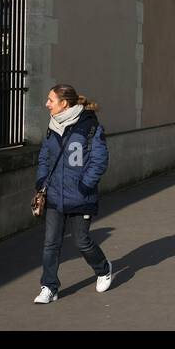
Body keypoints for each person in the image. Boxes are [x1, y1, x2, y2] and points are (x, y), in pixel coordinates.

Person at [34, 83, 113, 304]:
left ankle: (103, 268)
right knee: (51, 243)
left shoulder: (90, 126)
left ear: (64, 103)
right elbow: (43, 157)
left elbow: (99, 160)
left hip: (80, 195)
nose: (46, 104)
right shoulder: (52, 126)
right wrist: (41, 181)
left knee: (81, 241)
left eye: (51, 100)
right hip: (54, 196)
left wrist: (84, 185)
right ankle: (49, 287)